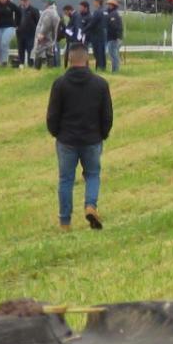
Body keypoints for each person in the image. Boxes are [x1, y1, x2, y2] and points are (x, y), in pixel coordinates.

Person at [46, 43, 113, 231]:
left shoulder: (59, 84)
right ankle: (90, 205)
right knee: (92, 175)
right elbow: (107, 115)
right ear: (88, 59)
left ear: (68, 59)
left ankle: (65, 222)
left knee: (66, 180)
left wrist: (56, 133)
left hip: (66, 139)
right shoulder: (100, 84)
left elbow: (52, 115)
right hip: (92, 139)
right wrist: (103, 134)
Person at [0, 0, 19, 67]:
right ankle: (1, 62)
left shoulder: (11, 5)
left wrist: (17, 23)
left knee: (4, 43)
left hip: (9, 26)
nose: (1, 0)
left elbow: (18, 12)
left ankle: (5, 61)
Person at [33, 0, 60, 69]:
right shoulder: (55, 12)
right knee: (49, 51)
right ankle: (50, 68)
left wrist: (41, 33)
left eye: (45, 2)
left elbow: (46, 23)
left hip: (45, 35)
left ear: (48, 3)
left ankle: (37, 69)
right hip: (50, 35)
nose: (44, 4)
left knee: (38, 51)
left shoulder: (48, 12)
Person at [104, 0, 124, 72]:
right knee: (113, 54)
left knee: (113, 55)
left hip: (113, 38)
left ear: (113, 6)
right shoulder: (112, 13)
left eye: (110, 4)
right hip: (112, 38)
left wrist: (117, 37)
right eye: (108, 4)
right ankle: (114, 69)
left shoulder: (113, 14)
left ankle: (115, 70)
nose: (108, 6)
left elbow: (115, 27)